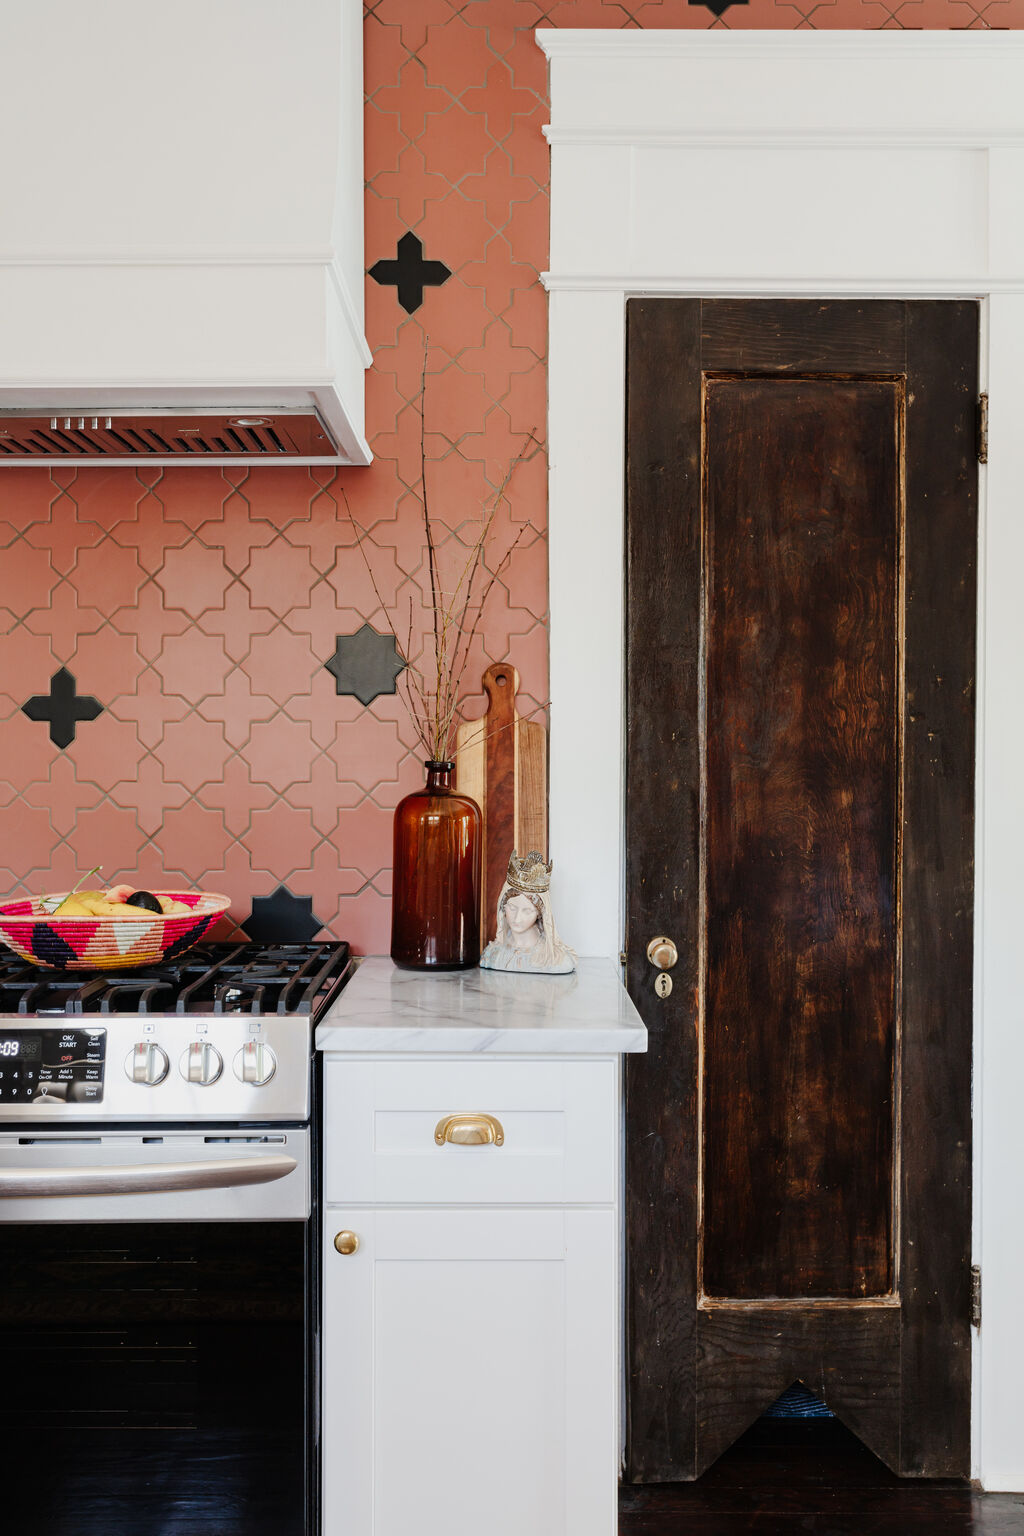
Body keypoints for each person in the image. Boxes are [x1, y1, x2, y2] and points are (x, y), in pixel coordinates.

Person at [479, 850, 575, 974]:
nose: (517, 918)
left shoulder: (556, 959)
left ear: (540, 914)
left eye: (527, 911)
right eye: (512, 908)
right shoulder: (493, 954)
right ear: (502, 906)